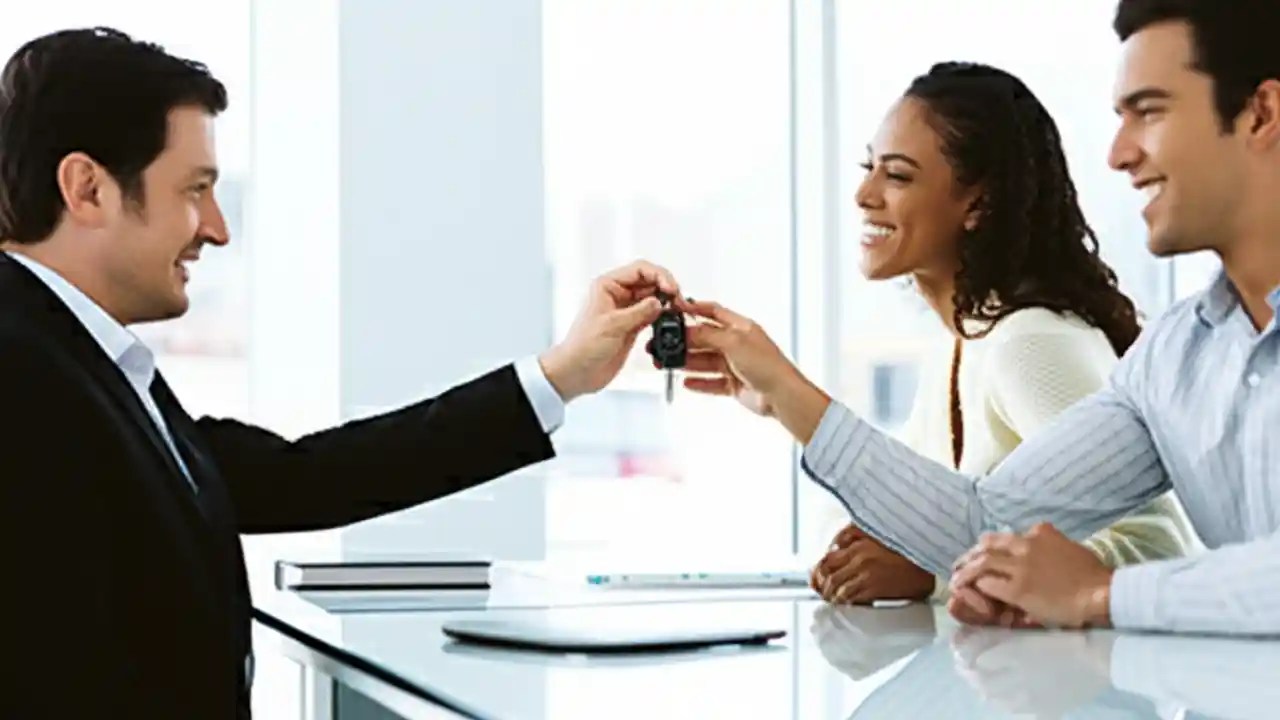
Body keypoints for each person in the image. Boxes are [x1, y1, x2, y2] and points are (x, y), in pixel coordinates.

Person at [0, 28, 686, 718]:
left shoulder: (83, 362)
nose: (216, 228)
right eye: (195, 189)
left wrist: (560, 374)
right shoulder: (21, 368)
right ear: (87, 189)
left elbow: (304, 476)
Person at [680, 0, 1279, 636]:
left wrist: (1103, 593)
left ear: (1260, 114)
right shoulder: (1173, 359)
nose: (1117, 154)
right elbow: (985, 522)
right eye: (1119, 117)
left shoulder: (1036, 339)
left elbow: (1153, 555)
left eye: (1150, 111)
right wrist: (782, 392)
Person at [806, 62, 1194, 607]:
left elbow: (1160, 550)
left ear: (979, 204)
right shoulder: (957, 343)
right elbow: (920, 521)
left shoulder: (1028, 342)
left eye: (897, 175)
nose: (864, 194)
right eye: (869, 167)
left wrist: (937, 575)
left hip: (1098, 686)